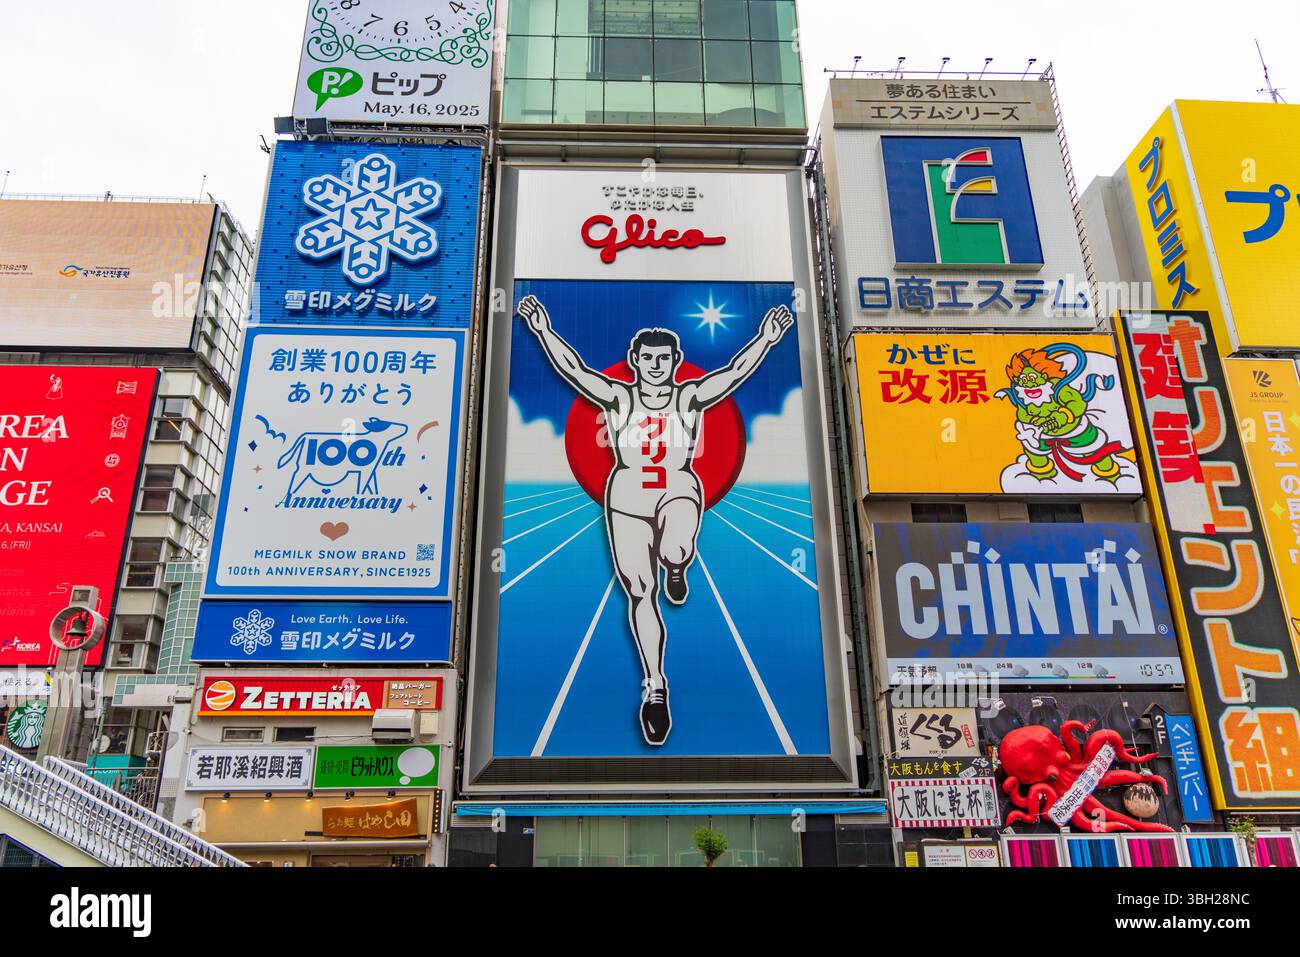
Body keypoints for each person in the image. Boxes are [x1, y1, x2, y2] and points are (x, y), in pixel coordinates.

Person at [517, 294, 794, 745]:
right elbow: (575, 370)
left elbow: (732, 375)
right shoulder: (619, 398)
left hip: (677, 489)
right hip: (626, 498)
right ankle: (655, 686)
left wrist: (765, 340)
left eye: (664, 358)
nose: (656, 365)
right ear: (635, 361)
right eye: (648, 358)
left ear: (675, 361)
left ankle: (679, 565)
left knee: (674, 548)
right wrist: (544, 331)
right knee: (641, 592)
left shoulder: (688, 397)